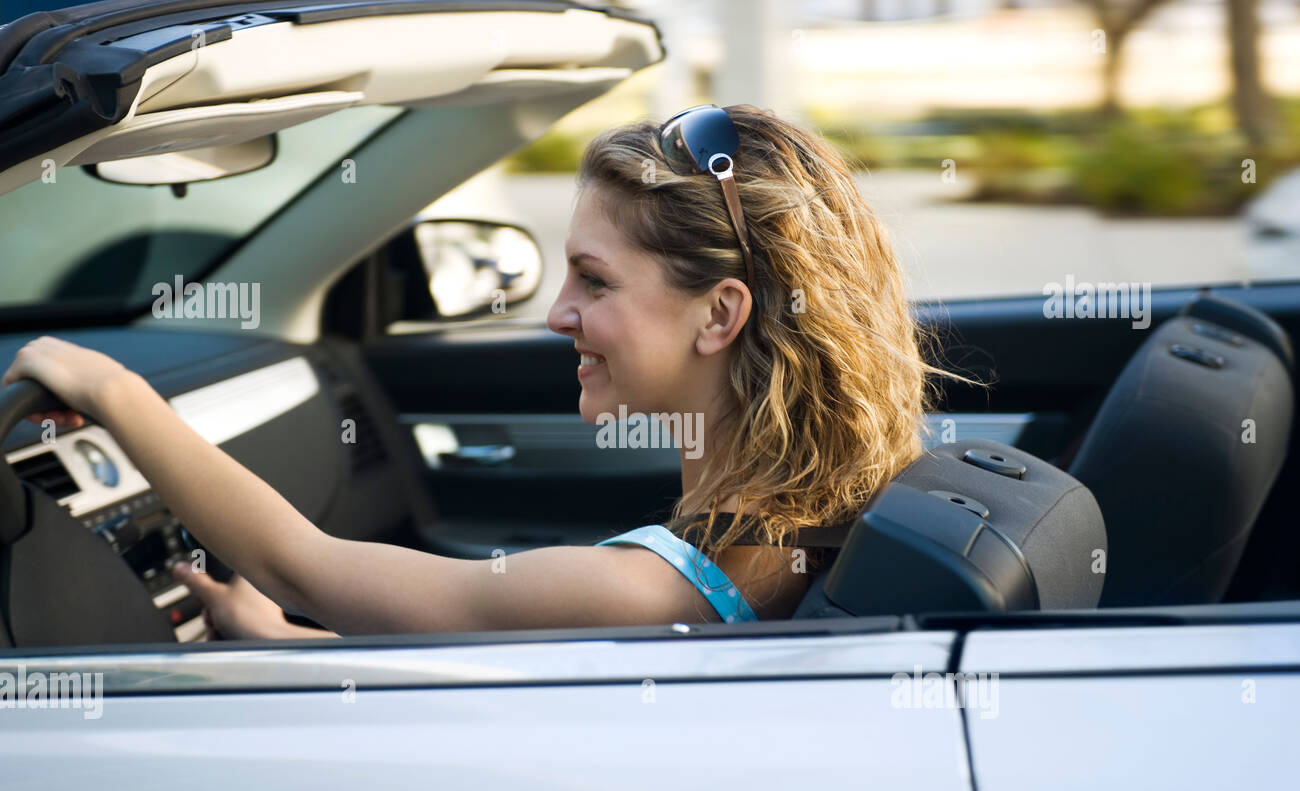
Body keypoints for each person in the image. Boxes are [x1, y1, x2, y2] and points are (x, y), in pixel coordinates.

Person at [1, 104, 967, 639]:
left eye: (594, 279)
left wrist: (108, 388)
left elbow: (309, 568)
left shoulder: (651, 592)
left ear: (720, 314)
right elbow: (491, 673)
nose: (557, 315)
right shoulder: (807, 518)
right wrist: (293, 646)